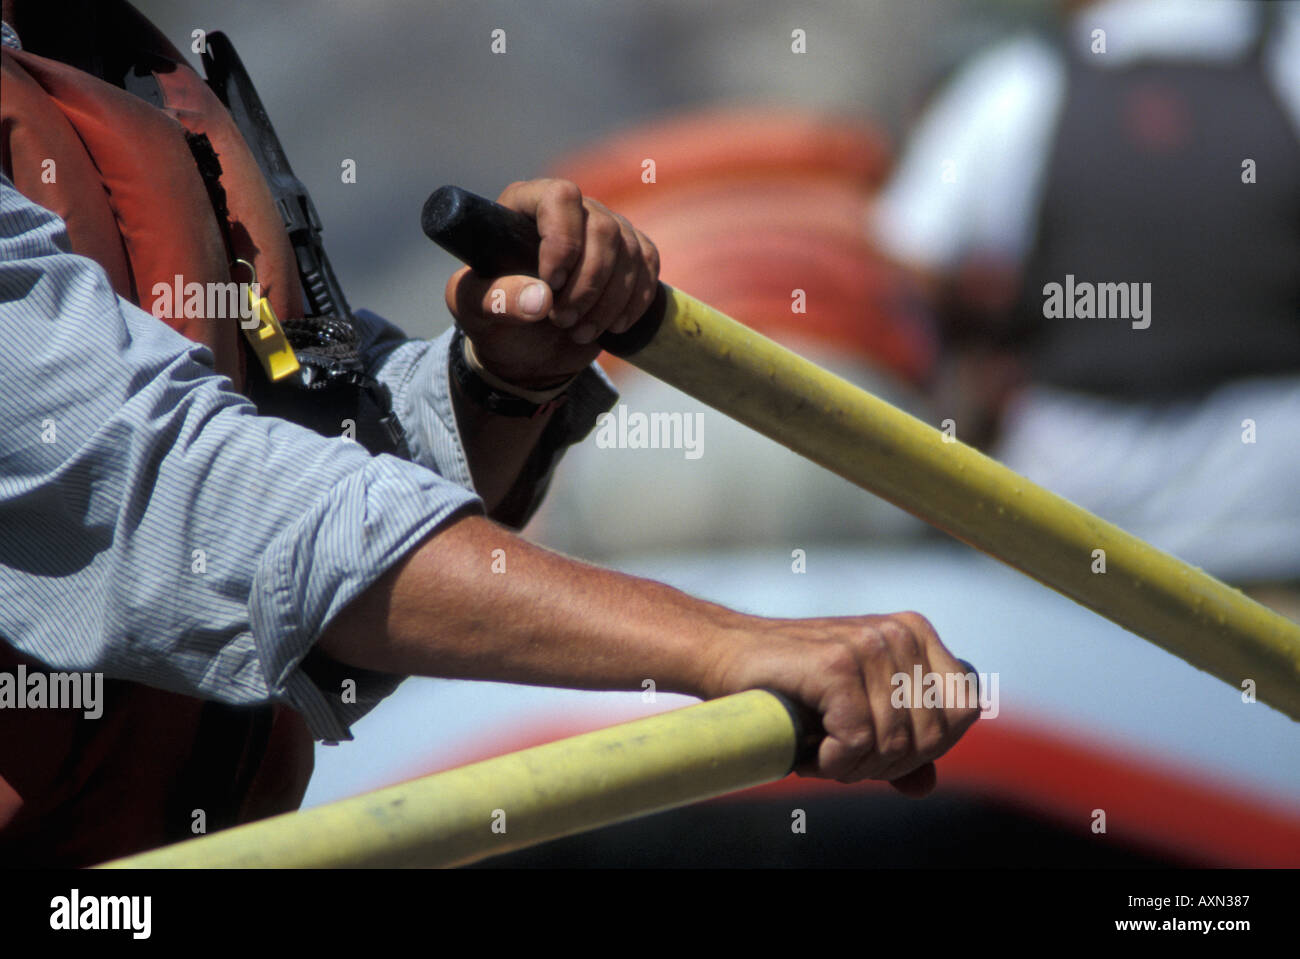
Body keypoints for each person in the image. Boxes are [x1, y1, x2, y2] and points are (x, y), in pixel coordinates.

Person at [0, 1, 979, 866]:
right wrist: (721, 645)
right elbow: (181, 499)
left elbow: (315, 462)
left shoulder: (87, 47)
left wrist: (505, 378)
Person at [871, 0, 1300, 592]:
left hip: (1076, 529)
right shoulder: (1287, 65)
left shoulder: (1021, 83)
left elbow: (903, 265)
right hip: (1275, 517)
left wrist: (991, 327)